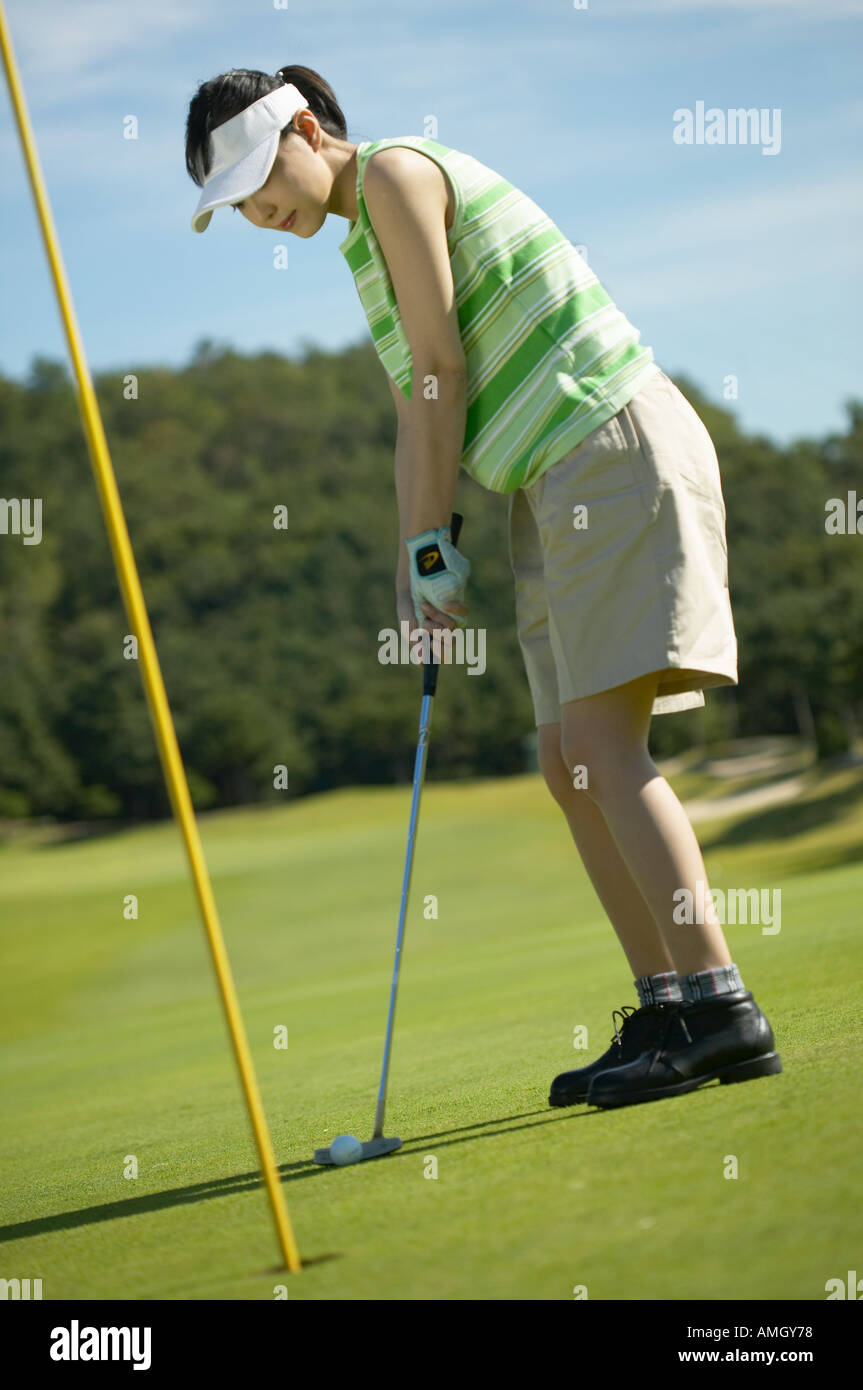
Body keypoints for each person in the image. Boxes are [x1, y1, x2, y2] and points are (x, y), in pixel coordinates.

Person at [185, 64, 782, 1109]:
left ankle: (720, 1006)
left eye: (254, 178)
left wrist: (424, 542)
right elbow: (423, 402)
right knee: (567, 761)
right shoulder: (360, 244)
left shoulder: (394, 176)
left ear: (308, 129)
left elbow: (437, 370)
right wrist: (418, 556)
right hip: (552, 482)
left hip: (605, 443)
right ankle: (665, 1002)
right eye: (233, 202)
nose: (255, 209)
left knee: (601, 746)